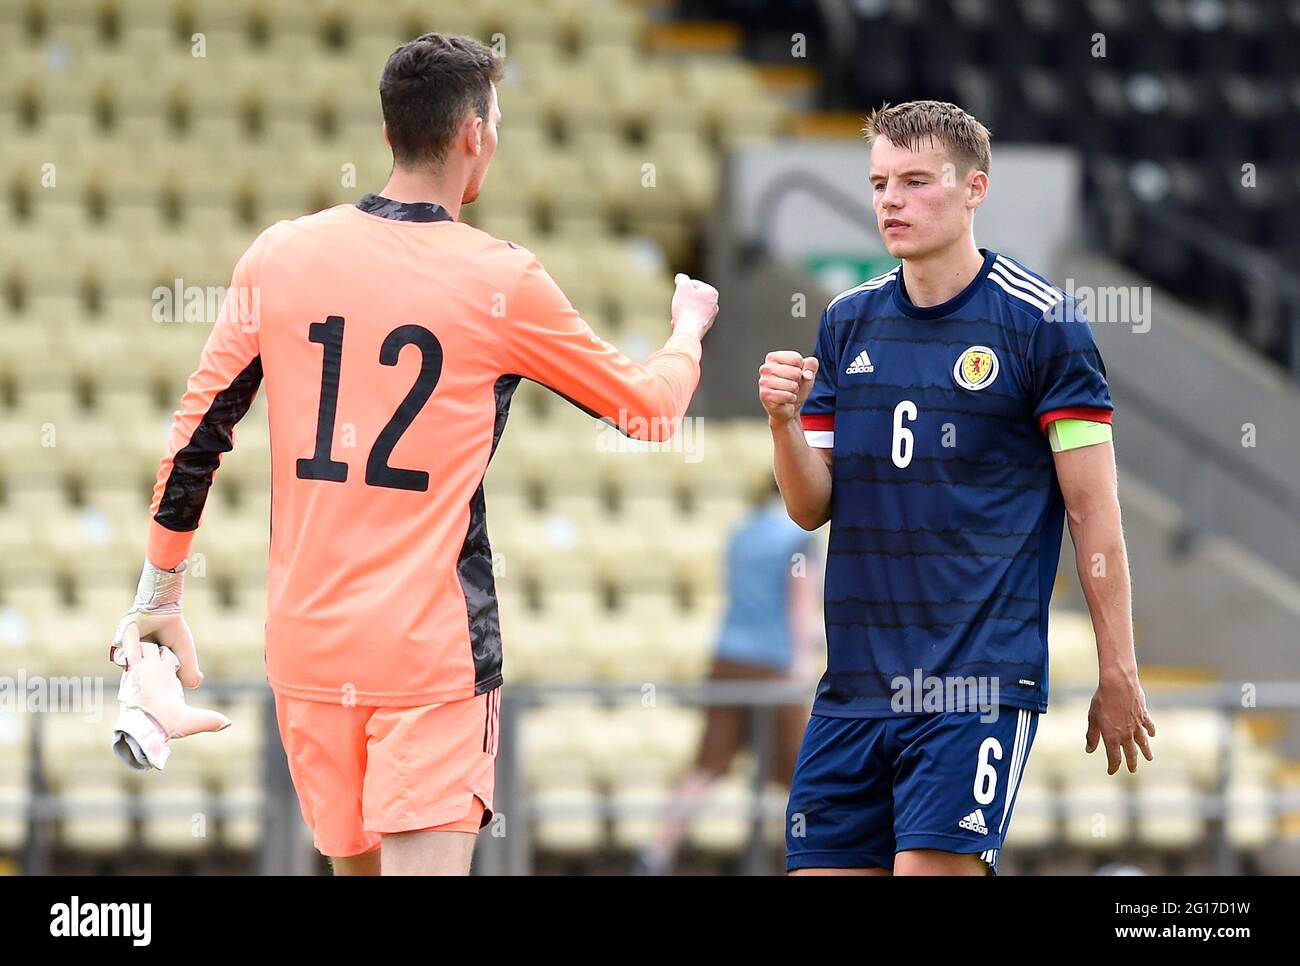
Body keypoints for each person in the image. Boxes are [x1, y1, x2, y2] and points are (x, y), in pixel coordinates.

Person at [110, 33, 719, 876]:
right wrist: (687, 331)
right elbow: (651, 414)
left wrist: (161, 588)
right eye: (496, 121)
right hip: (428, 657)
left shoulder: (281, 254)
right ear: (473, 132)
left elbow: (196, 436)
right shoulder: (499, 278)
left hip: (310, 652)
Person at [758, 100, 1155, 876]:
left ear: (974, 188)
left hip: (974, 688)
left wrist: (1119, 667)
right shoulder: (847, 323)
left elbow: (1093, 510)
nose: (890, 202)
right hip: (854, 690)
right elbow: (810, 503)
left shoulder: (1043, 326)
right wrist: (781, 421)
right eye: (878, 184)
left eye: (913, 181)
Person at [637, 480, 820, 875]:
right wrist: (802, 663)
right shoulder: (797, 539)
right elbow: (799, 606)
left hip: (728, 660)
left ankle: (658, 849)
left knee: (708, 764)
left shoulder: (742, 532)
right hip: (774, 668)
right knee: (796, 775)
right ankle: (804, 859)